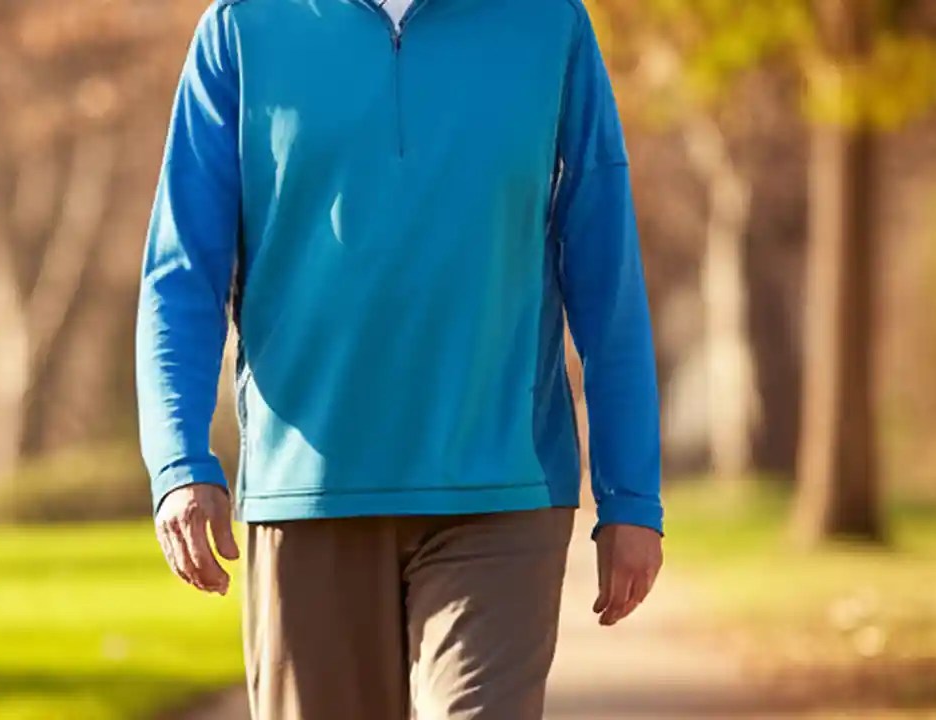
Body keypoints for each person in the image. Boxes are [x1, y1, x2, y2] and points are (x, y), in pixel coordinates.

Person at [135, 0, 664, 716]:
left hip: (501, 486)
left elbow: (607, 277)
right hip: (309, 494)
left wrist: (630, 494)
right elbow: (181, 276)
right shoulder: (242, 28)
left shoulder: (548, 24)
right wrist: (179, 463)